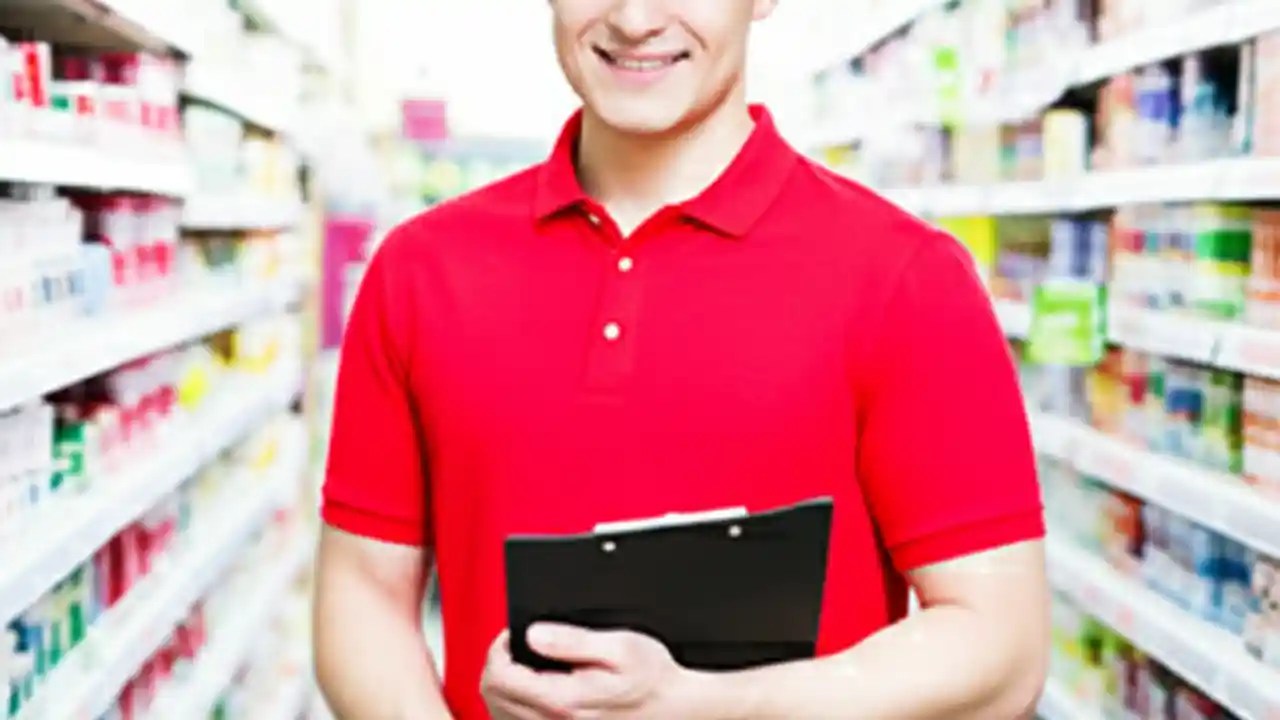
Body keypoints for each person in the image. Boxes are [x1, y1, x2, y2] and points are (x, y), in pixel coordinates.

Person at [314, 0, 1050, 718]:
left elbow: (1002, 648)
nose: (635, 19)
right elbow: (363, 593)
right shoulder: (420, 271)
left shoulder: (906, 278)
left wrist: (710, 708)